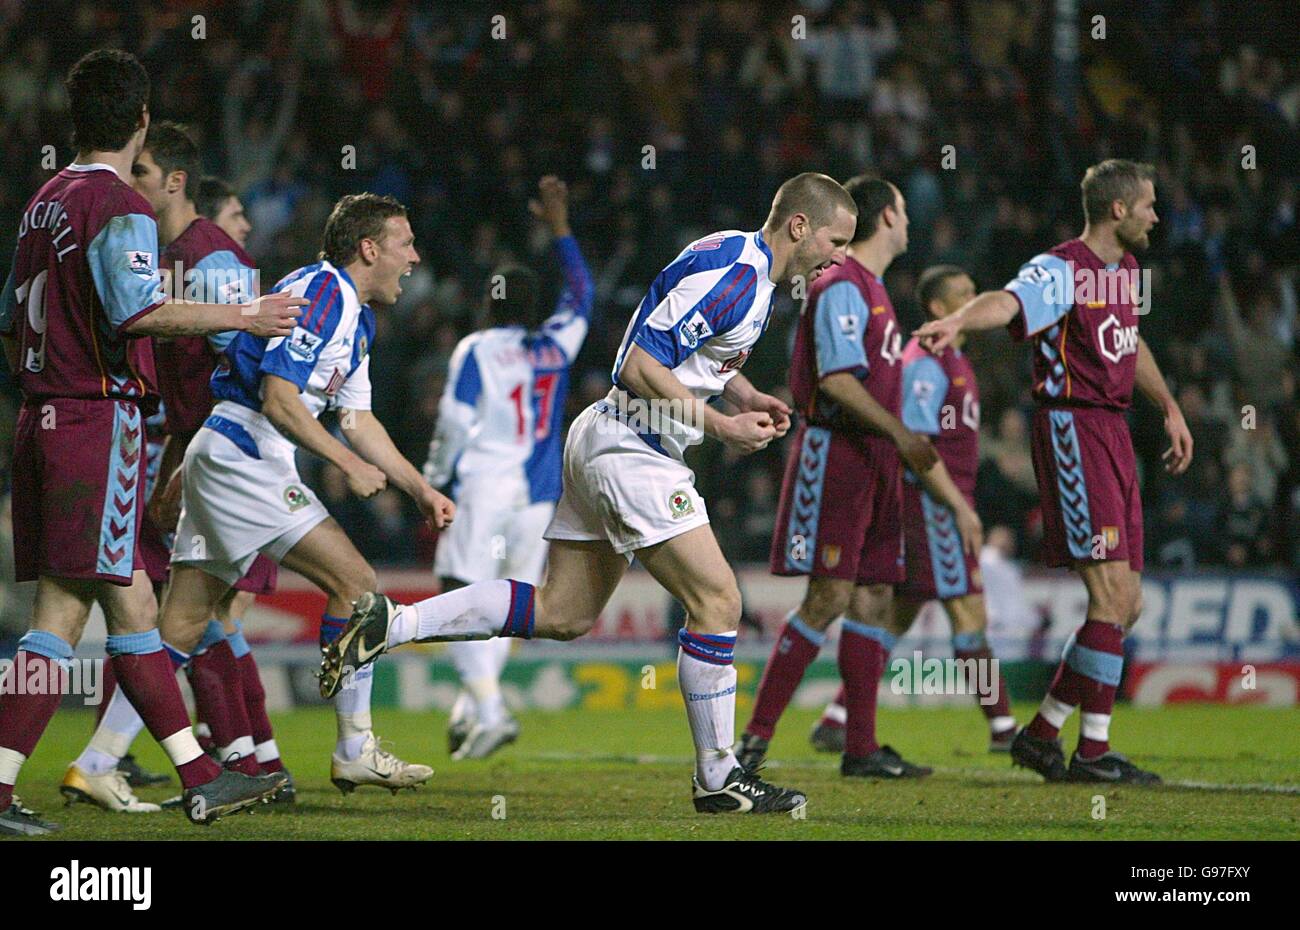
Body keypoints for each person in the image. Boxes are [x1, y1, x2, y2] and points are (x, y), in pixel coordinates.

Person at [324, 172, 860, 813]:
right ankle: (718, 776)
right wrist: (718, 425)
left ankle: (393, 621)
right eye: (838, 239)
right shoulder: (737, 276)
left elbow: (697, 359)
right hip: (634, 449)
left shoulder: (747, 272)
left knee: (564, 614)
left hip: (610, 439)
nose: (840, 255)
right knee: (718, 601)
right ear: (800, 225)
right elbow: (634, 364)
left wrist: (743, 395)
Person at [0, 49, 298, 835]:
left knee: (105, 609)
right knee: (88, 611)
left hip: (40, 419)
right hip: (96, 422)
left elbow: (7, 320)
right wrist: (243, 316)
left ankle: (200, 776)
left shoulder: (43, 202)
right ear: (139, 121)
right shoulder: (115, 203)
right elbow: (137, 312)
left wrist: (47, 380)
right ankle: (203, 772)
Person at [158, 192, 449, 795]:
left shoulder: (352, 313)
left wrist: (417, 487)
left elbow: (358, 418)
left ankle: (100, 759)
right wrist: (347, 465)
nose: (415, 258)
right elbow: (279, 399)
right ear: (370, 248)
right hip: (248, 454)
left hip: (226, 450)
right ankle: (353, 748)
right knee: (358, 585)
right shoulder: (324, 294)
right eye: (405, 243)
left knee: (177, 630)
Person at [917, 159, 1193, 783]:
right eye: (1148, 204)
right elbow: (1008, 300)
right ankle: (1090, 753)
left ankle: (1042, 735)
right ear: (1117, 210)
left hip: (1114, 431)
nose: (1156, 214)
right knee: (1112, 597)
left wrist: (1170, 406)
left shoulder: (1123, 273)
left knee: (1130, 603)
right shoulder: (1062, 268)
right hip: (1073, 427)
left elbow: (1131, 339)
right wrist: (962, 319)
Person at [61, 124, 291, 814]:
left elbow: (241, 370)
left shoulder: (212, 258)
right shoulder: (158, 253)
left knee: (191, 612)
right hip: (184, 454)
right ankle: (246, 758)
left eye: (145, 170)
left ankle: (226, 756)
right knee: (191, 613)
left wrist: (191, 463)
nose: (131, 182)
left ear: (177, 181)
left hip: (224, 457)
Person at [735, 176, 977, 780]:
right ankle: (753, 743)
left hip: (877, 460)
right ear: (887, 217)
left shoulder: (873, 292)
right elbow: (839, 381)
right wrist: (900, 432)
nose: (910, 221)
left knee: (873, 594)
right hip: (841, 452)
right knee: (829, 596)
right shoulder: (842, 285)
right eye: (902, 209)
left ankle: (861, 747)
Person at [807, 265, 1016, 755]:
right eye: (965, 292)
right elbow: (917, 446)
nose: (975, 298)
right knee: (968, 611)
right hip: (933, 505)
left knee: (901, 613)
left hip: (941, 502)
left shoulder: (953, 358)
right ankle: (1006, 729)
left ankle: (837, 716)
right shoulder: (925, 361)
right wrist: (959, 508)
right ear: (940, 309)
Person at [424, 176, 593, 760]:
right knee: (506, 605)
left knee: (456, 589)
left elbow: (451, 418)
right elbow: (582, 294)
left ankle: (490, 709)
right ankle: (473, 706)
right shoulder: (557, 346)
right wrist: (561, 227)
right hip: (541, 497)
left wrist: (433, 477)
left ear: (488, 303)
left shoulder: (475, 349)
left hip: (485, 488)